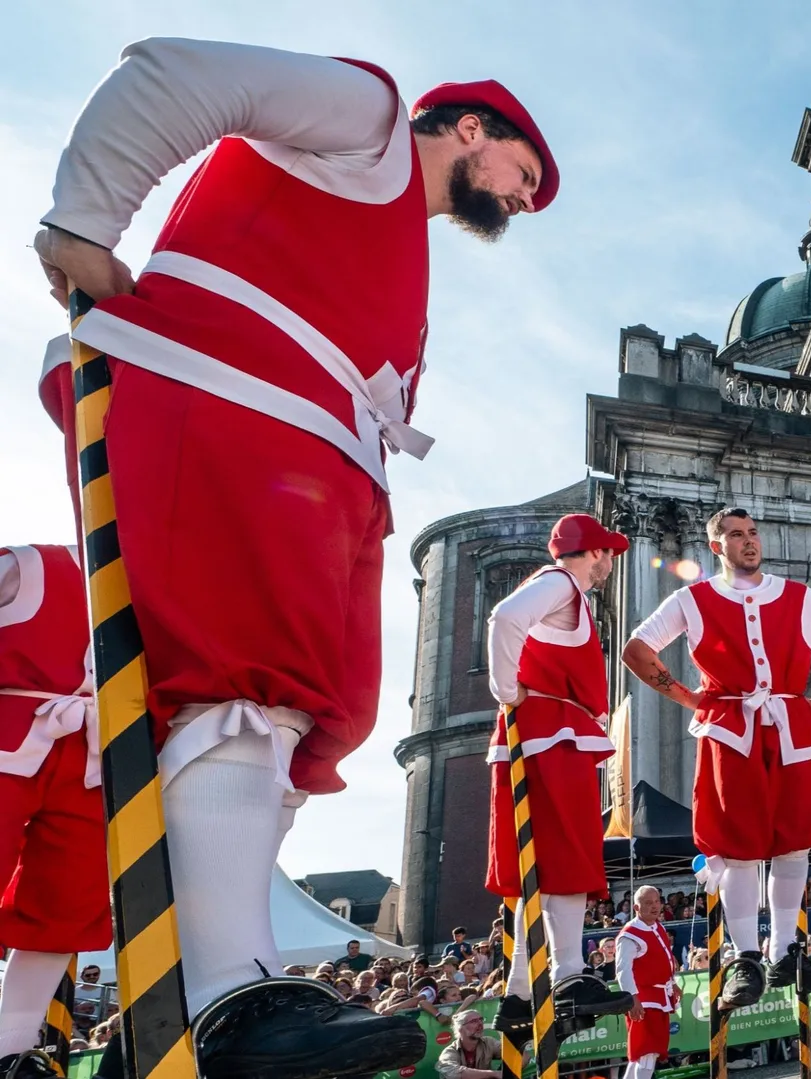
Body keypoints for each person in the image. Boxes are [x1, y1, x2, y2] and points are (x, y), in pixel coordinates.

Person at [33, 36, 559, 1077]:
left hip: (303, 466)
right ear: (470, 128)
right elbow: (176, 77)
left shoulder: (402, 253)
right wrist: (84, 225)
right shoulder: (365, 115)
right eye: (522, 173)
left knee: (290, 718)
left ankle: (229, 969)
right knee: (240, 690)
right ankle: (228, 993)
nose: (523, 199)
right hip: (227, 412)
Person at [622, 508, 811, 1010]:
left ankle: (785, 950)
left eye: (752, 533)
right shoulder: (692, 599)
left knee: (795, 840)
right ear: (716, 547)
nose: (748, 542)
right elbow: (637, 650)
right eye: (735, 535)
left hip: (792, 726)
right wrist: (691, 698)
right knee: (739, 845)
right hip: (731, 731)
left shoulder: (799, 596)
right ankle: (746, 957)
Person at [485, 514, 635, 1043]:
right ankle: (569, 973)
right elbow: (503, 618)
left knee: (544, 865)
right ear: (593, 553)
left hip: (545, 731)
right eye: (608, 552)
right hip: (550, 732)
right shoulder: (559, 585)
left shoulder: (558, 591)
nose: (611, 562)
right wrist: (507, 690)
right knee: (569, 851)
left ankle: (520, 994)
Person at [0, 543, 108, 1079]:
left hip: (96, 761)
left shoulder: (175, 591)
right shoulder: (33, 563)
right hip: (10, 733)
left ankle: (10, 1048)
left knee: (66, 906)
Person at [615, 887, 680, 1079]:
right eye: (648, 903)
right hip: (644, 999)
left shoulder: (657, 926)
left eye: (657, 901)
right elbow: (623, 970)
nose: (654, 906)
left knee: (646, 1054)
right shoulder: (630, 935)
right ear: (636, 906)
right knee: (646, 1052)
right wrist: (632, 999)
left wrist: (672, 983)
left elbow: (664, 959)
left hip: (658, 996)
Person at [436, 1009, 501, 1079]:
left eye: (481, 1019)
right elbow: (453, 1072)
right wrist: (493, 1074)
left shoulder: (489, 1042)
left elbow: (509, 1052)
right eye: (474, 1021)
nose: (480, 1023)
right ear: (460, 1028)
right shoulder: (450, 1052)